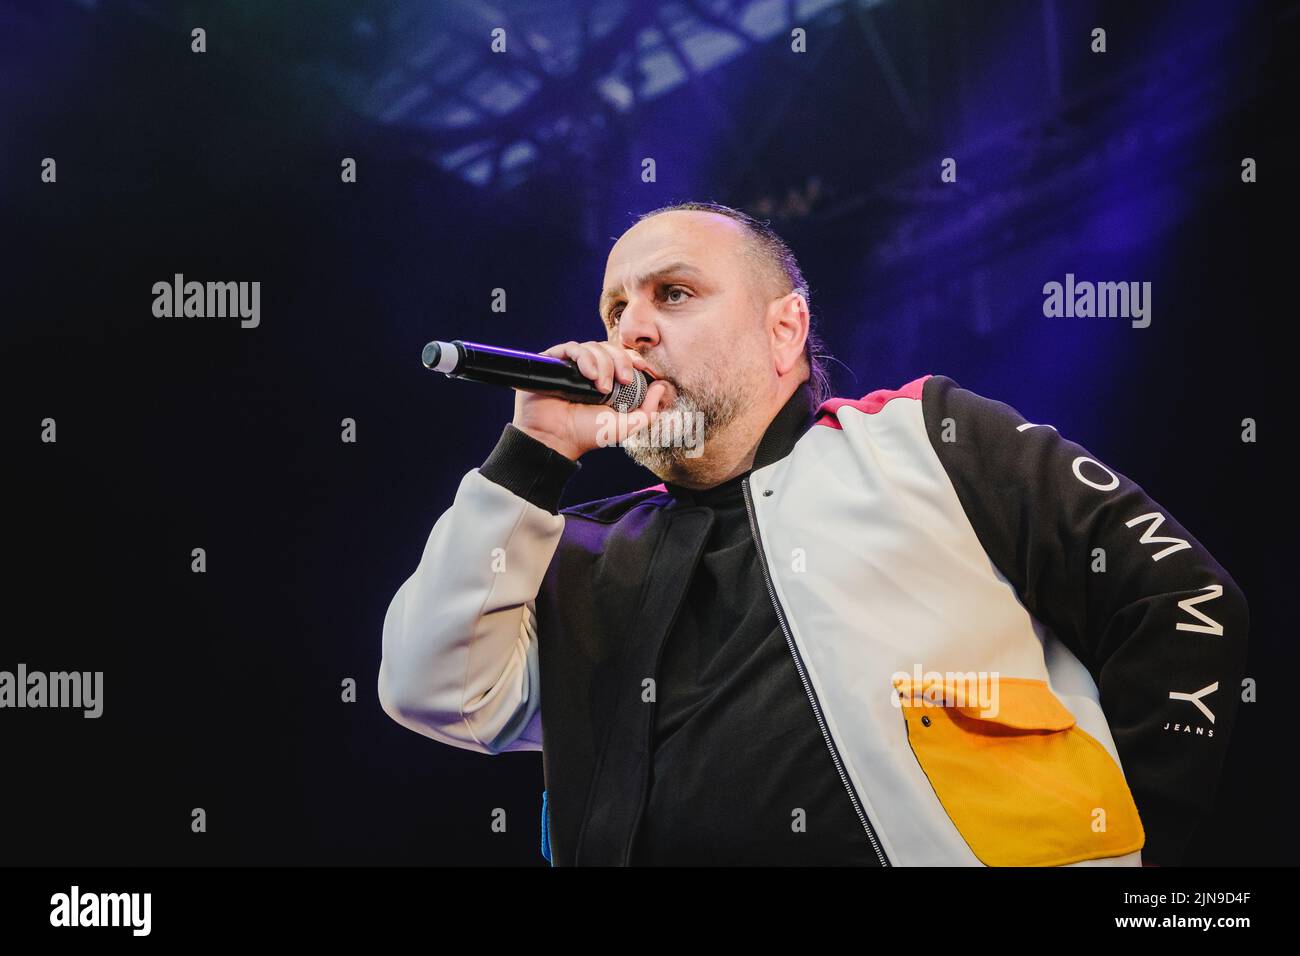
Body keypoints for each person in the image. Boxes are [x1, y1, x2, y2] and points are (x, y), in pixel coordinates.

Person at [378, 201, 1249, 867]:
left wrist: (1135, 854)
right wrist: (532, 456)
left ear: (783, 328)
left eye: (672, 294)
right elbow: (432, 688)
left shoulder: (926, 437)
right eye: (614, 311)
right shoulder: (574, 552)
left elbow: (1182, 598)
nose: (631, 330)